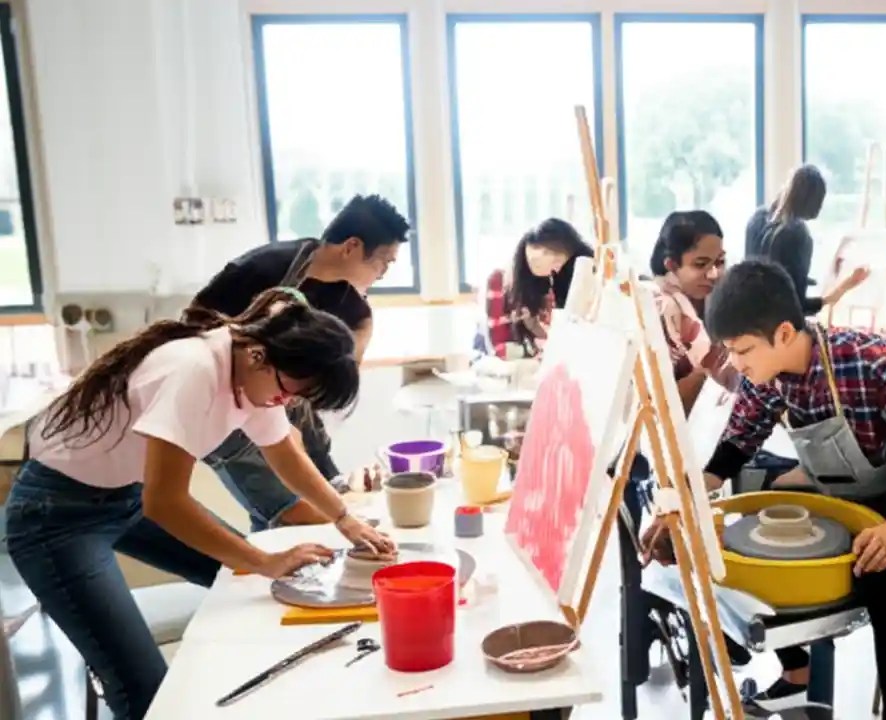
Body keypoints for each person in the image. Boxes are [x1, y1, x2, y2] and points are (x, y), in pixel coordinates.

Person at [7, 288, 392, 719]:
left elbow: (283, 452)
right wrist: (263, 559)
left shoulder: (252, 371)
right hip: (56, 517)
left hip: (123, 498)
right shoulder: (195, 370)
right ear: (260, 356)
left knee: (253, 584)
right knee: (142, 687)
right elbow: (165, 503)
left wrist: (345, 518)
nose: (285, 403)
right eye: (288, 393)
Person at [648, 259, 886, 716]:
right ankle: (795, 668)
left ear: (783, 334)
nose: (736, 363)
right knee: (765, 527)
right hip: (857, 490)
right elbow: (737, 444)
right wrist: (684, 504)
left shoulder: (874, 362)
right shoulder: (766, 378)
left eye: (742, 350)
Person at [192, 194, 411, 531]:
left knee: (327, 492)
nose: (383, 274)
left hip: (284, 410)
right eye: (383, 262)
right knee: (288, 511)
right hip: (223, 408)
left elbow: (330, 388)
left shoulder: (350, 304)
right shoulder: (262, 268)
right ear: (351, 247)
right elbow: (193, 331)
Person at [745, 164, 867, 316]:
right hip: (775, 328)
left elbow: (759, 273)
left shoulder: (757, 219)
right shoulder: (797, 234)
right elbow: (797, 306)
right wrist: (840, 289)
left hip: (746, 317)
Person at [648, 210, 737, 411]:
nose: (714, 274)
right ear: (671, 265)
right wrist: (705, 373)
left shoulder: (721, 297)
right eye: (700, 264)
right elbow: (659, 406)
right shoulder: (660, 308)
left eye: (719, 262)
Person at [482, 218, 594, 359]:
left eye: (559, 264)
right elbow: (500, 349)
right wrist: (535, 350)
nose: (557, 269)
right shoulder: (500, 281)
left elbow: (569, 340)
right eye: (555, 263)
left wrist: (539, 333)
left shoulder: (572, 279)